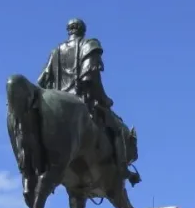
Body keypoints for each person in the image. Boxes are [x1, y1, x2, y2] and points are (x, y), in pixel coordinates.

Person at [38, 18, 139, 185]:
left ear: (68, 30)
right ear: (83, 31)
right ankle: (122, 169)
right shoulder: (90, 45)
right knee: (119, 129)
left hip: (57, 105)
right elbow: (91, 77)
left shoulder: (55, 52)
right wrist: (105, 99)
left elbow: (41, 81)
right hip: (83, 102)